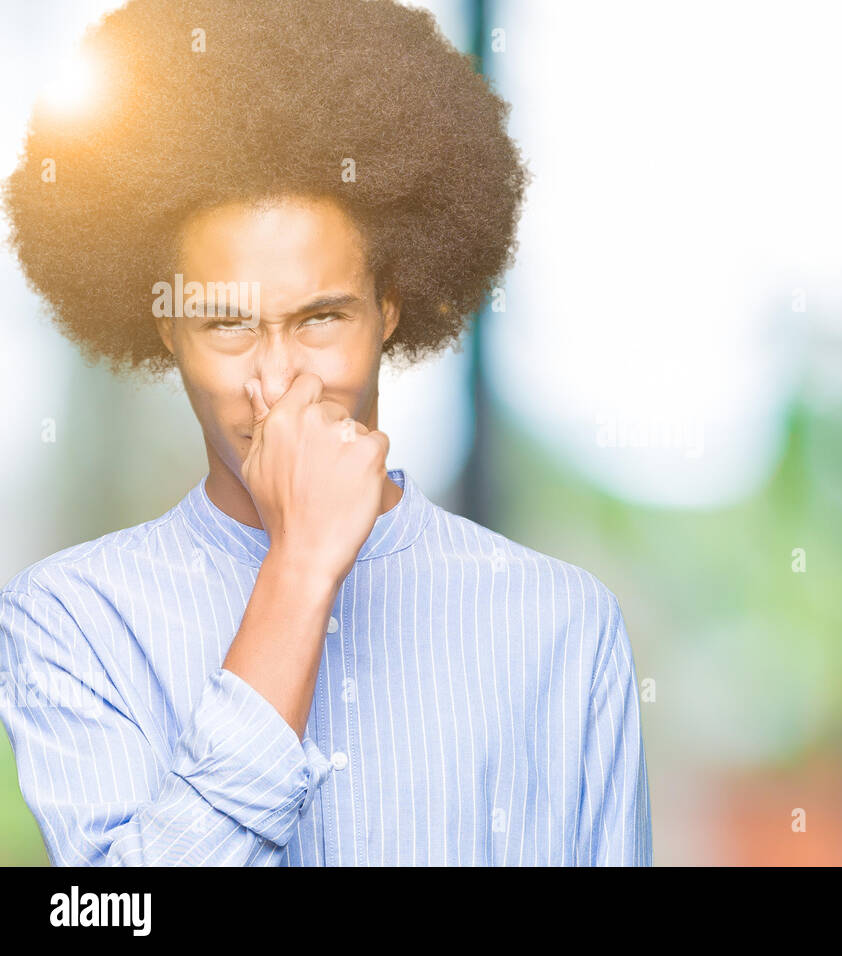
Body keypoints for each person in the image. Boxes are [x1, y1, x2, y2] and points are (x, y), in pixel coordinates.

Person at [0, 0, 651, 866]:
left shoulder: (563, 626)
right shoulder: (72, 621)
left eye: (320, 318)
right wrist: (299, 570)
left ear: (390, 309)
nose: (278, 382)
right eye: (227, 324)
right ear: (166, 330)